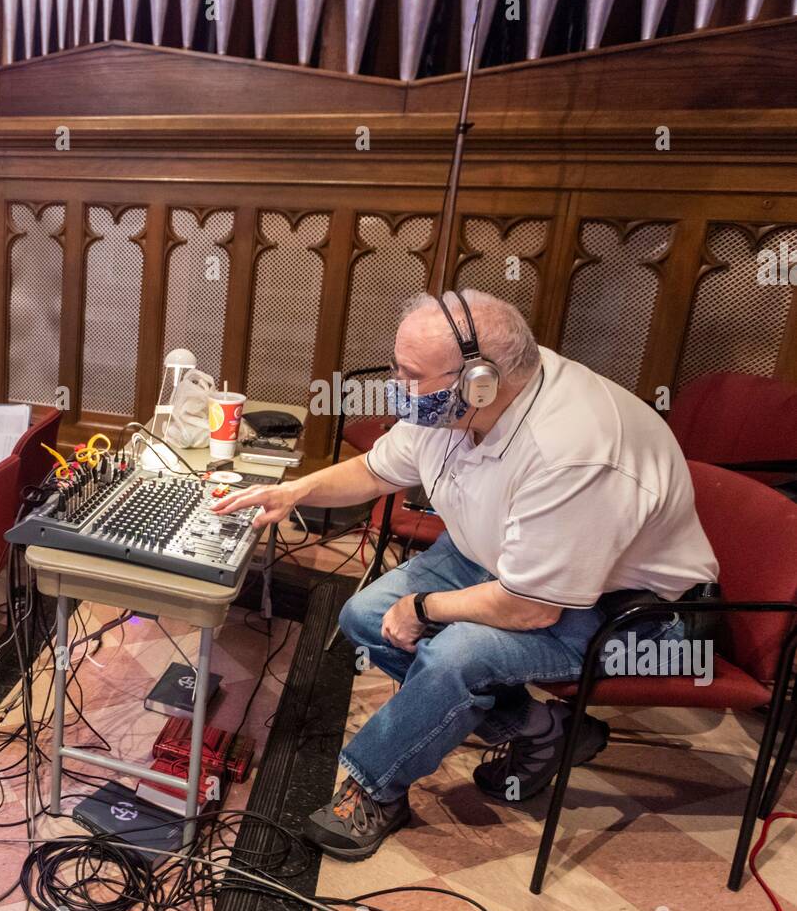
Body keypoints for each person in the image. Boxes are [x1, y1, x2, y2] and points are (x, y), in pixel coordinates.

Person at [212, 291, 719, 861]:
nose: (396, 389)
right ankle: (543, 727)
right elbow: (376, 469)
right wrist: (296, 489)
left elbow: (533, 608)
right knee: (365, 616)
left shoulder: (574, 451)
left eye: (410, 376)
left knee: (456, 656)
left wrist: (424, 608)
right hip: (501, 556)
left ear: (480, 381)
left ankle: (375, 788)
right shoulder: (455, 400)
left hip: (629, 614)